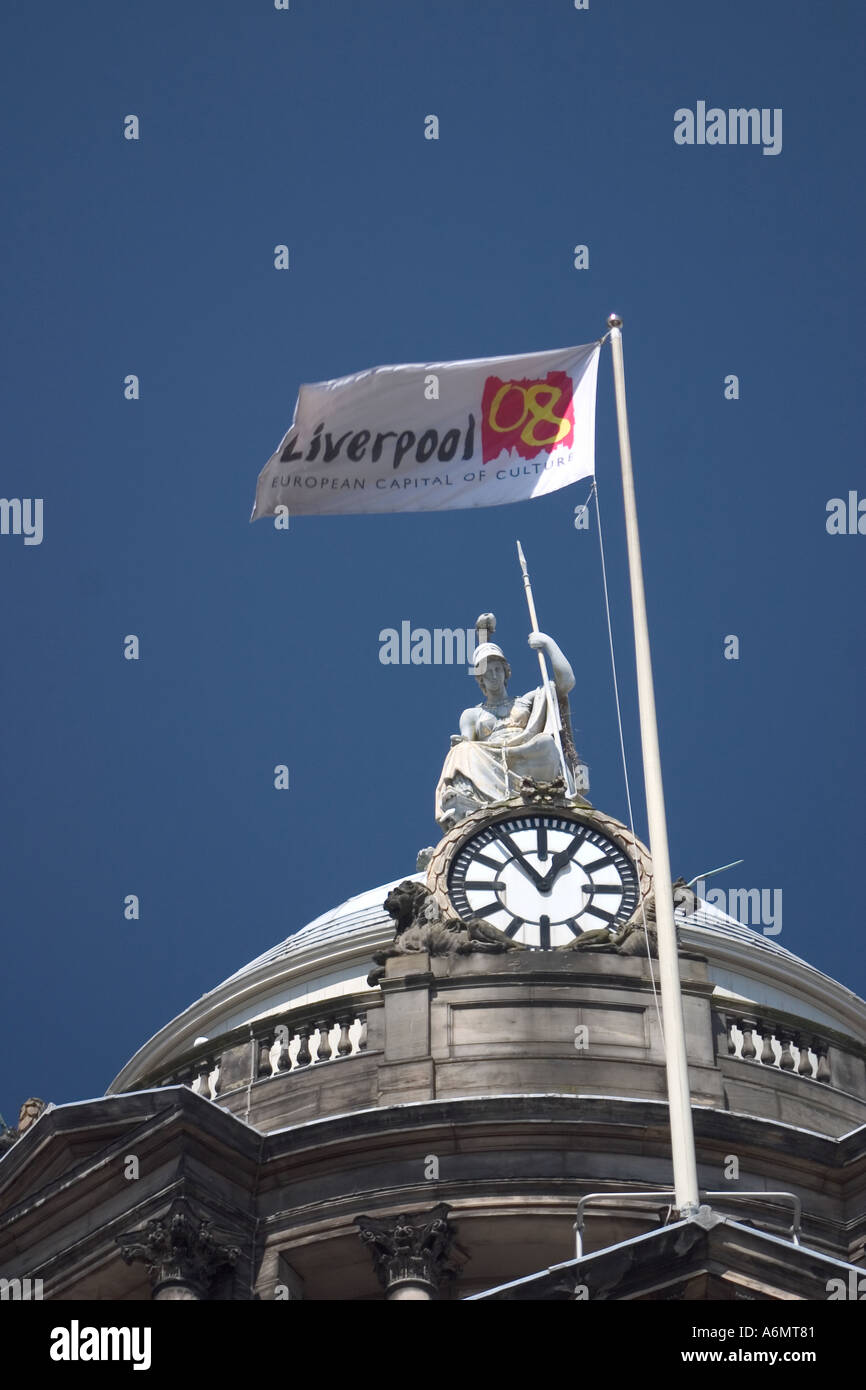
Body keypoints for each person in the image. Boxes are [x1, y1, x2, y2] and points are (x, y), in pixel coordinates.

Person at [434, 631, 575, 831]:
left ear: (506, 671)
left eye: (497, 669)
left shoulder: (526, 701)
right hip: (491, 757)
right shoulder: (472, 714)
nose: (493, 675)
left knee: (545, 742)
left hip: (525, 752)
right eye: (487, 672)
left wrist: (549, 644)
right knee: (460, 752)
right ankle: (468, 798)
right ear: (480, 680)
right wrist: (460, 743)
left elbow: (566, 683)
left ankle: (542, 788)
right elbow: (468, 742)